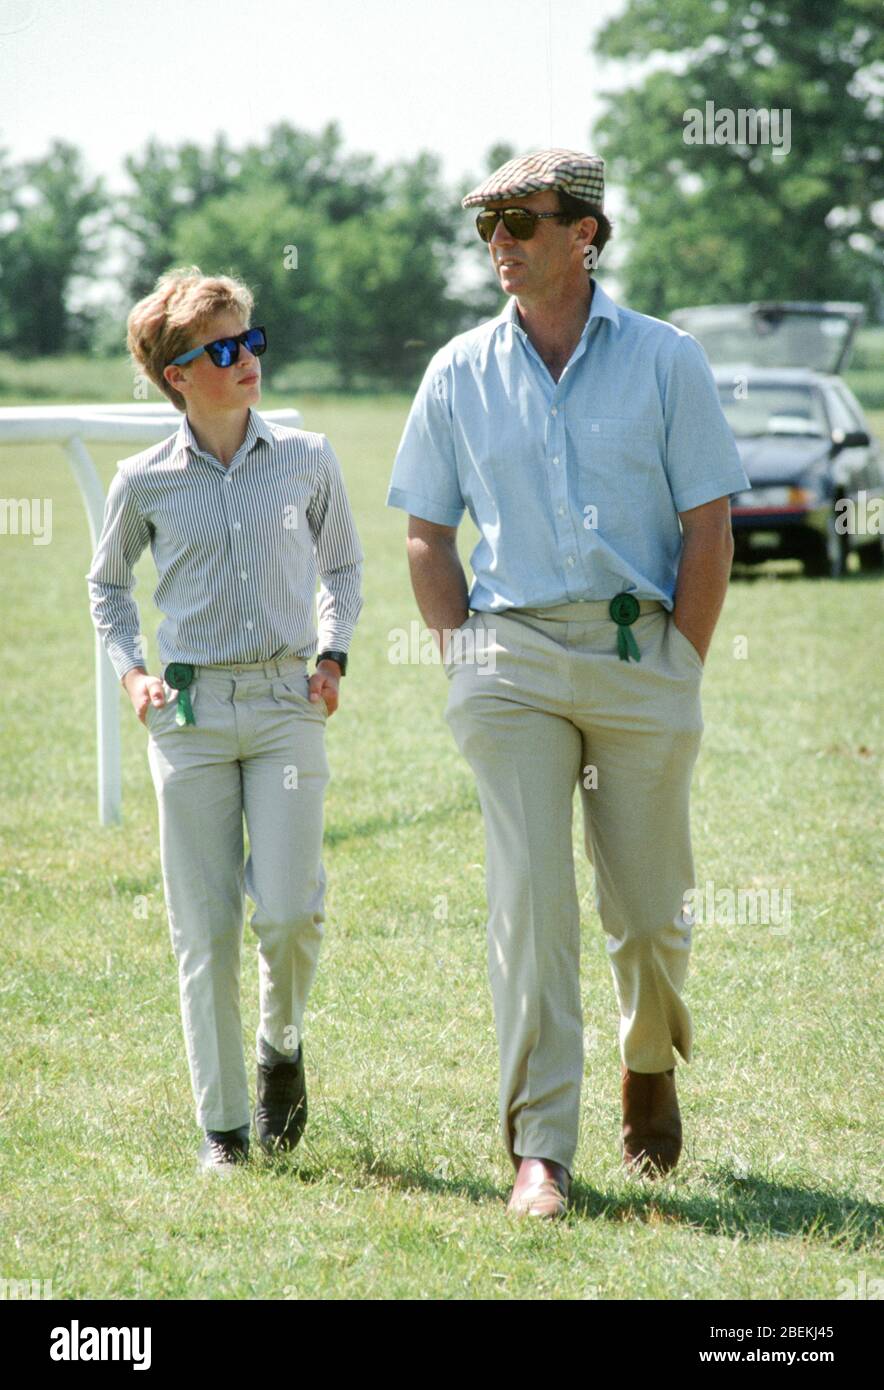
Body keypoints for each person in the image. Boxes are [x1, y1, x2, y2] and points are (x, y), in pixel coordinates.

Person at [386, 150, 750, 1218]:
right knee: (530, 901)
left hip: (640, 658)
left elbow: (707, 524)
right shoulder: (456, 370)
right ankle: (539, 1144)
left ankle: (649, 1057)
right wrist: (463, 657)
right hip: (509, 664)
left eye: (520, 221)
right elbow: (424, 532)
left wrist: (681, 661)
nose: (498, 240)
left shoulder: (665, 359)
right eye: (485, 224)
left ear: (583, 233)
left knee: (645, 916)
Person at [87, 267, 363, 1173]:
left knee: (288, 915)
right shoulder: (144, 481)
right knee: (203, 928)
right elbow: (107, 588)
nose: (247, 359)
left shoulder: (309, 457)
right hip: (192, 717)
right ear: (178, 375)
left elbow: (345, 571)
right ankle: (224, 1130)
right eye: (223, 349)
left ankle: (280, 1049)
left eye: (251, 339)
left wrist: (331, 656)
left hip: (288, 707)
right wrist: (132, 676)